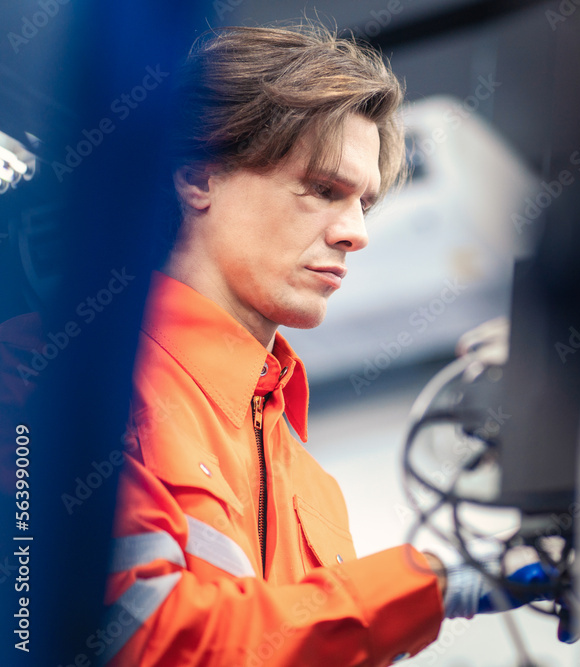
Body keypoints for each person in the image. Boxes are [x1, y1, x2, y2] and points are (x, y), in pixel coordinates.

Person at [105, 22, 544, 666]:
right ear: (198, 178)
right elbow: (151, 643)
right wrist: (437, 584)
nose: (356, 232)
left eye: (365, 201)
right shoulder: (58, 385)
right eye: (324, 190)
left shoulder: (311, 484)